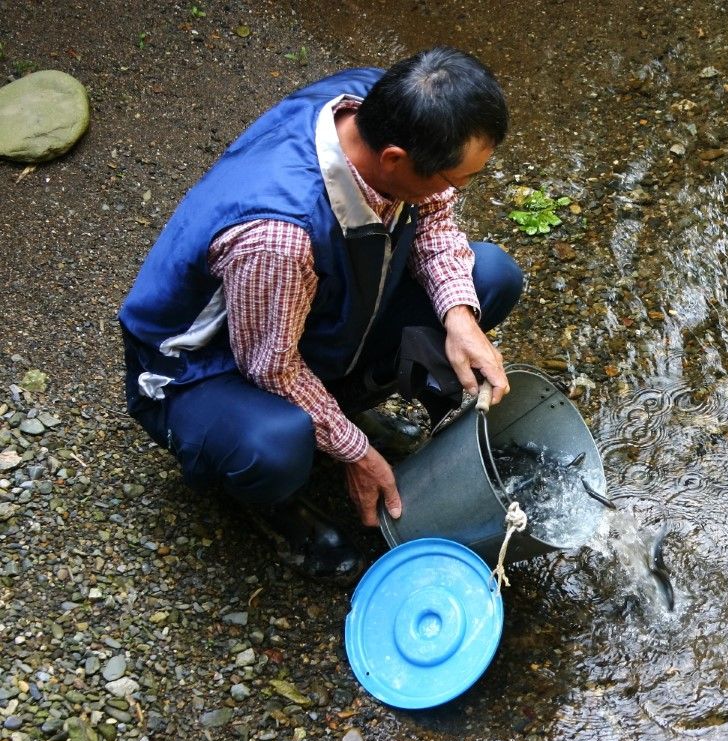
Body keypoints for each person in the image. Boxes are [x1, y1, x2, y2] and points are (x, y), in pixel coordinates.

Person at [118, 47, 523, 582]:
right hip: (201, 367)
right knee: (273, 447)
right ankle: (272, 503)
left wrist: (458, 315)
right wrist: (355, 451)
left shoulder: (382, 102)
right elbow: (270, 368)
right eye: (455, 176)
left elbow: (434, 216)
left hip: (289, 313)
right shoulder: (279, 239)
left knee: (489, 276)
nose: (456, 190)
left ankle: (346, 399)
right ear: (396, 161)